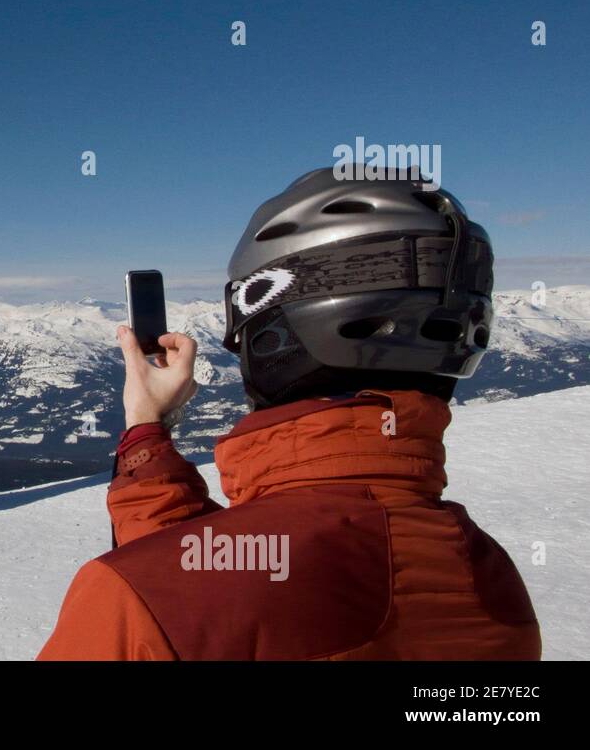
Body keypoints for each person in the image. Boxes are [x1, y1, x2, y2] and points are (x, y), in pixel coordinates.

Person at [39, 168, 541, 660]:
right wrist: (148, 434)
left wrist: (147, 426)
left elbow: (191, 596)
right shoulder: (489, 582)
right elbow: (210, 581)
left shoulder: (132, 599)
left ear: (275, 335)